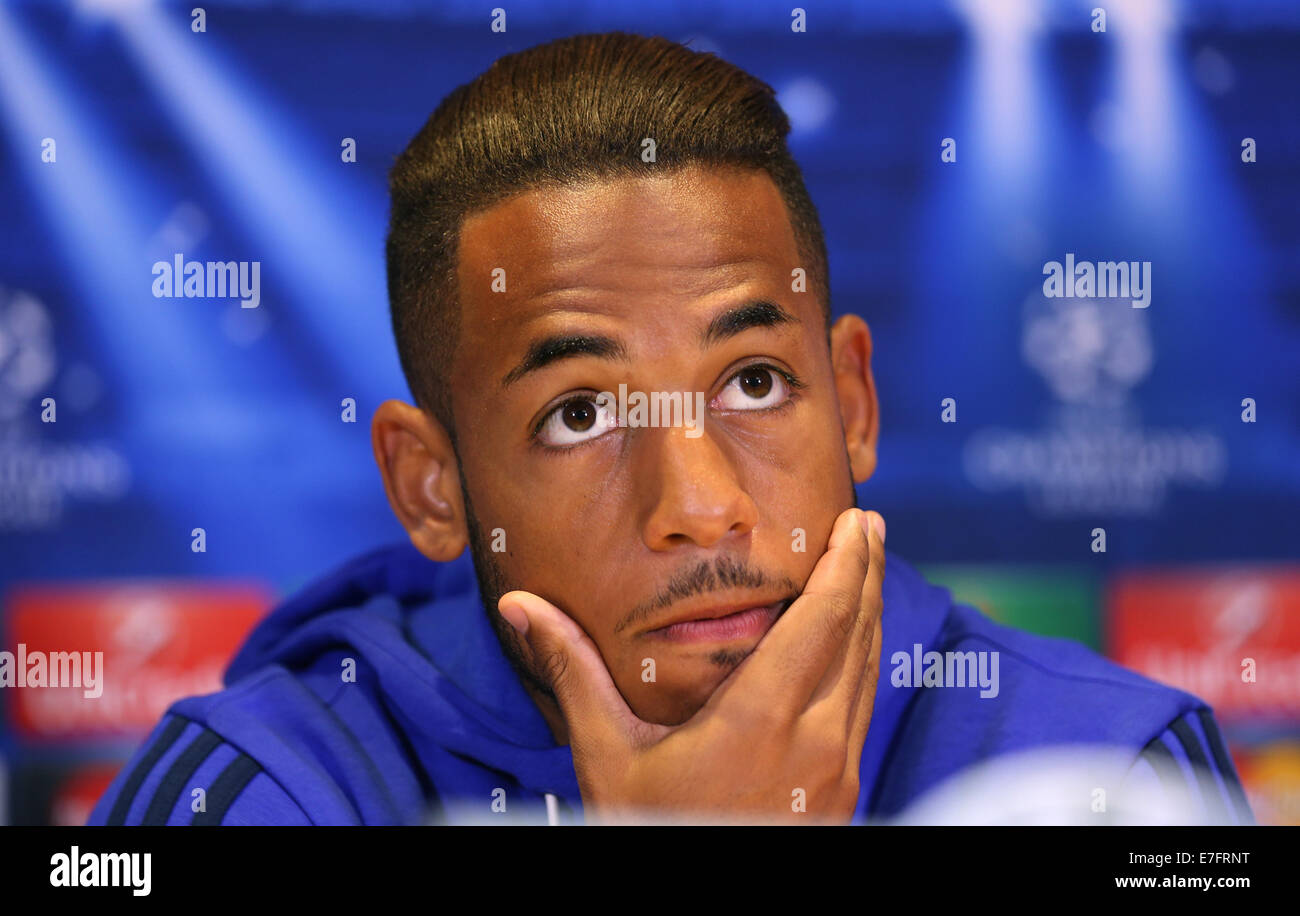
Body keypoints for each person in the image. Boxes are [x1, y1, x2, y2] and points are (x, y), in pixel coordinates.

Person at [89, 32, 1251, 826]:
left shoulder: (1112, 773)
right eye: (580, 412)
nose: (697, 505)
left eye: (751, 382)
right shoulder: (256, 794)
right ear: (432, 486)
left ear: (850, 403)